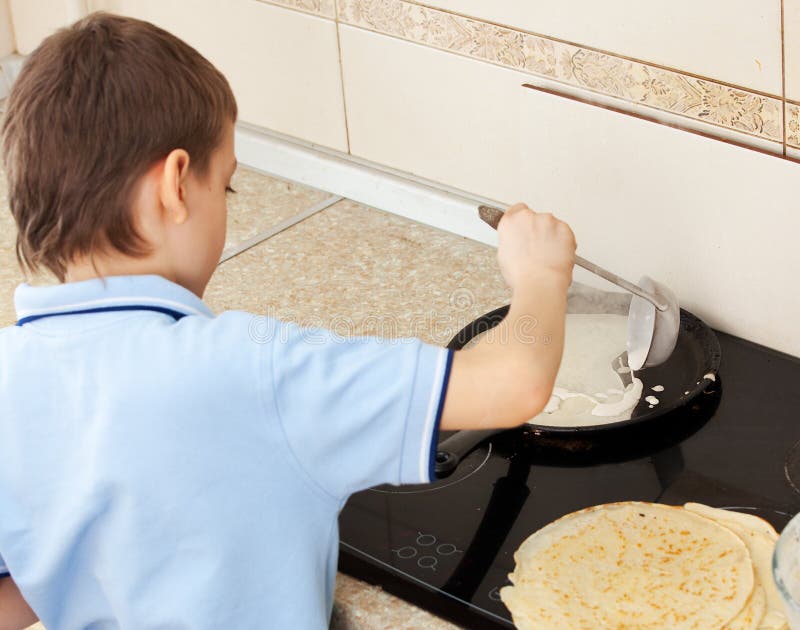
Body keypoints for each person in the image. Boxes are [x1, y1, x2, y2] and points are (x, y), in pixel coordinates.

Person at [0, 12, 575, 630]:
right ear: (175, 185)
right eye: (226, 187)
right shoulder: (254, 369)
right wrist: (541, 275)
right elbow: (514, 382)